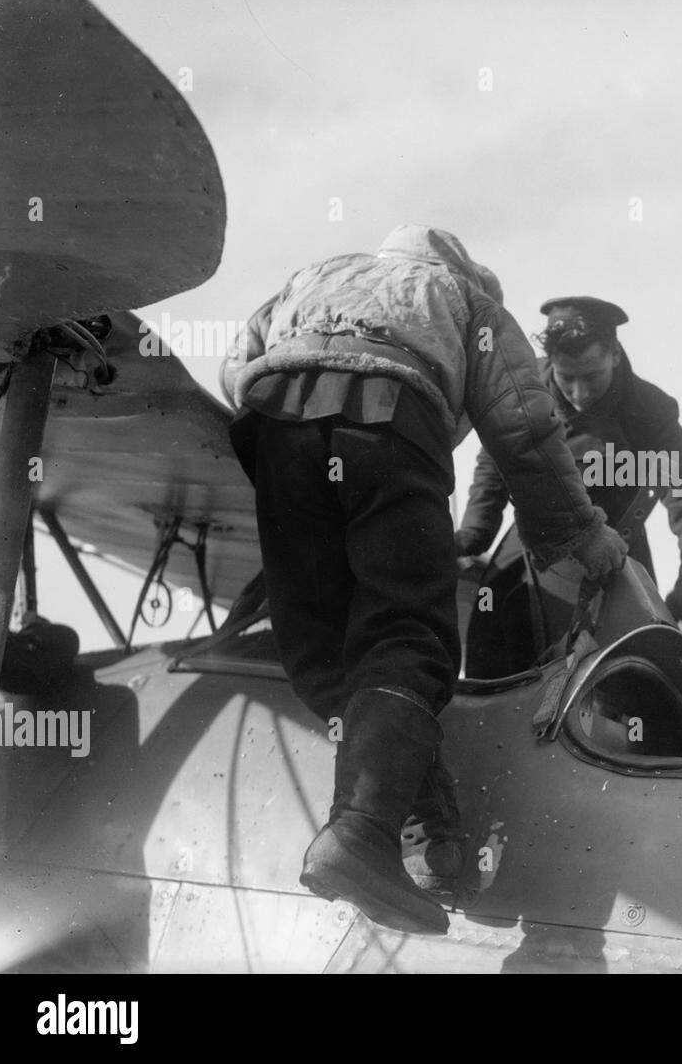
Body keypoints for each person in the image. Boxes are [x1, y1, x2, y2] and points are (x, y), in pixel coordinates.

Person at [220, 225, 627, 934]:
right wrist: (581, 537)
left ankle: (418, 816)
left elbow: (237, 364)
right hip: (388, 421)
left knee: (325, 646)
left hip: (278, 423)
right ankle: (362, 833)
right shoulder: (467, 300)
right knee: (409, 634)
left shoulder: (309, 275)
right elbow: (523, 429)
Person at [455, 296, 682, 635]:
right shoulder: (524, 391)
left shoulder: (651, 412)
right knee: (488, 646)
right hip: (532, 549)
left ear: (614, 353)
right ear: (550, 361)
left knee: (645, 661)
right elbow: (494, 465)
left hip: (616, 556)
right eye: (566, 377)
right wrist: (473, 535)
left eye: (591, 376)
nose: (579, 393)